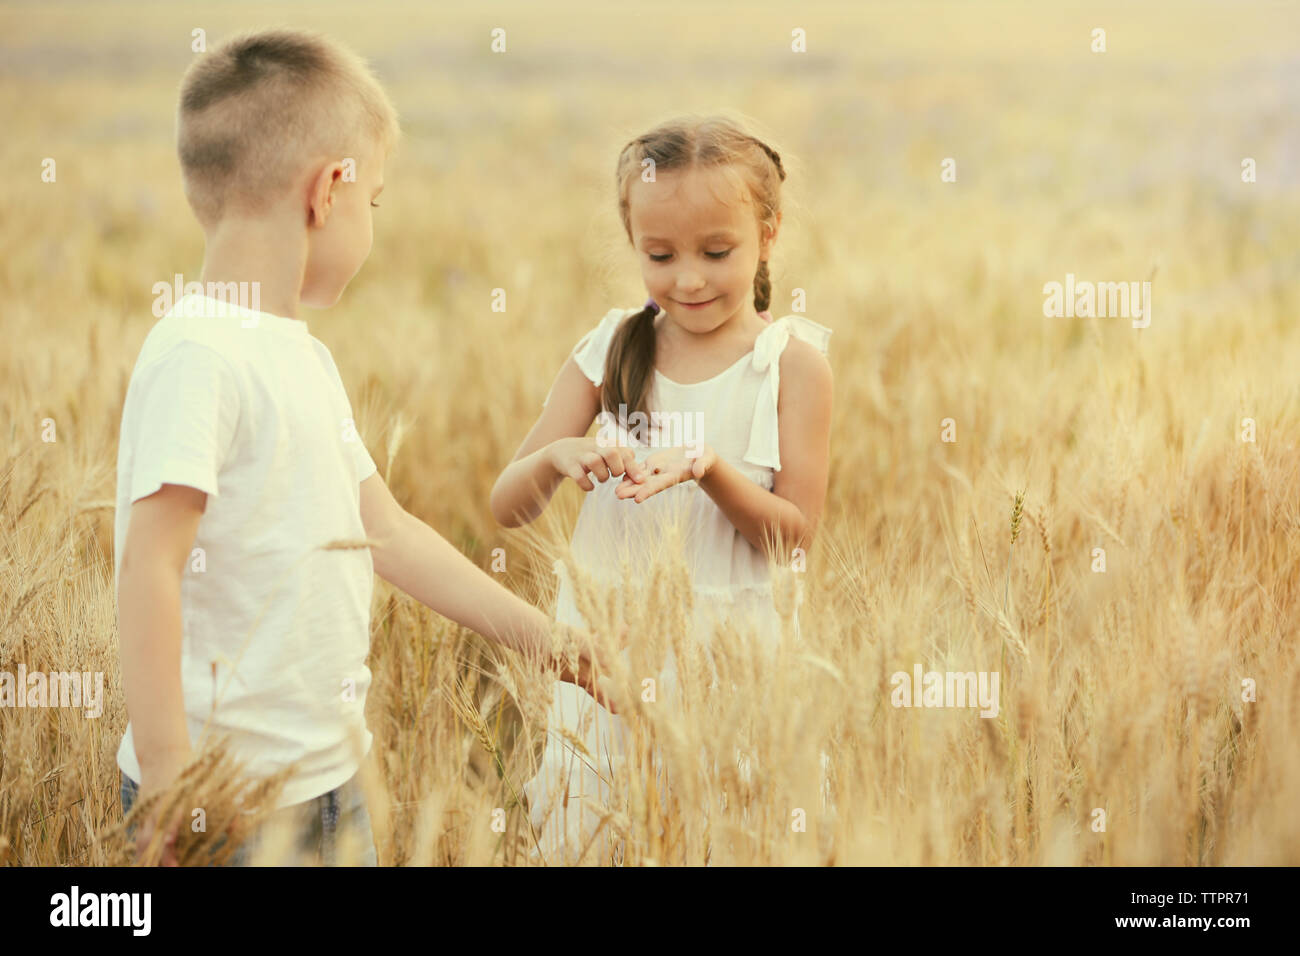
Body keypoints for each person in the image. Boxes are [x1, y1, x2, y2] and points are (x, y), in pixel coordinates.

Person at [115, 28, 605, 867]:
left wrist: (548, 641)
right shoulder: (201, 354)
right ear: (329, 189)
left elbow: (387, 531)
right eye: (373, 200)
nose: (372, 223)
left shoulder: (301, 355)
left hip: (334, 779)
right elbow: (149, 563)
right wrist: (170, 777)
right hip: (223, 796)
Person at [490, 114, 833, 863]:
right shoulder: (611, 349)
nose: (687, 278)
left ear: (768, 235)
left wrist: (710, 471)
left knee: (728, 831)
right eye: (659, 254)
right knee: (606, 830)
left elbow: (794, 538)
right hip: (610, 657)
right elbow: (505, 507)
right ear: (631, 239)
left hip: (731, 661)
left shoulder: (790, 365)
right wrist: (556, 460)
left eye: (717, 252)